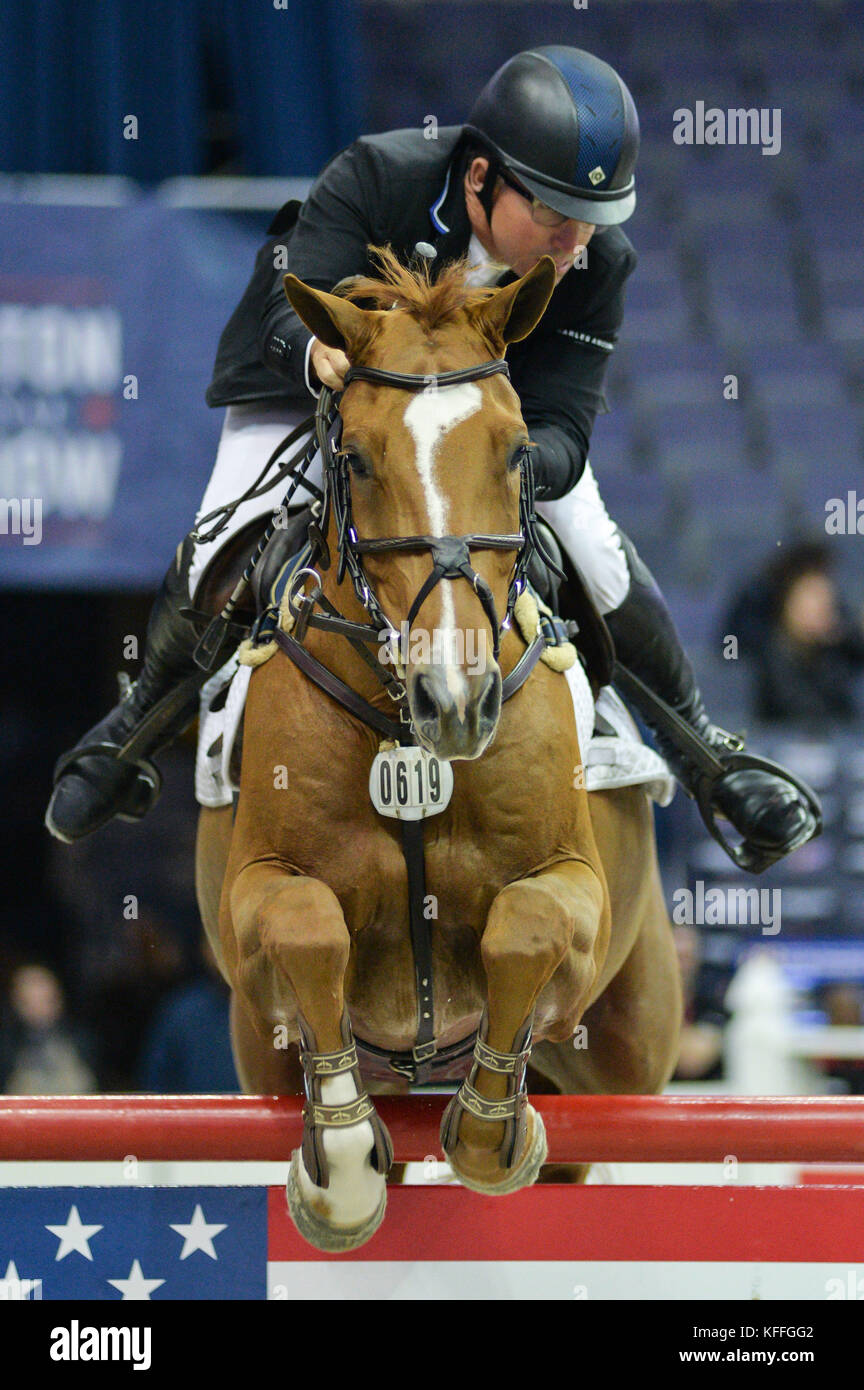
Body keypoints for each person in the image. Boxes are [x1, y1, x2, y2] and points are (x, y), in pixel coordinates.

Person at [45, 45, 817, 870]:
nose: (575, 238)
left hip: (479, 436)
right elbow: (286, 295)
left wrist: (505, 470)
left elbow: (562, 423)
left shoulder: (597, 262)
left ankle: (707, 755)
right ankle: (123, 738)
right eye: (555, 213)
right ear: (481, 178)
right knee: (224, 537)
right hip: (312, 390)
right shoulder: (379, 175)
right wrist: (314, 355)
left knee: (597, 552)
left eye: (591, 217)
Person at [724, 541, 864, 723]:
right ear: (786, 604)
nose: (819, 610)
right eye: (810, 601)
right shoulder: (768, 653)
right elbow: (797, 711)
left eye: (825, 602)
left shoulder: (839, 652)